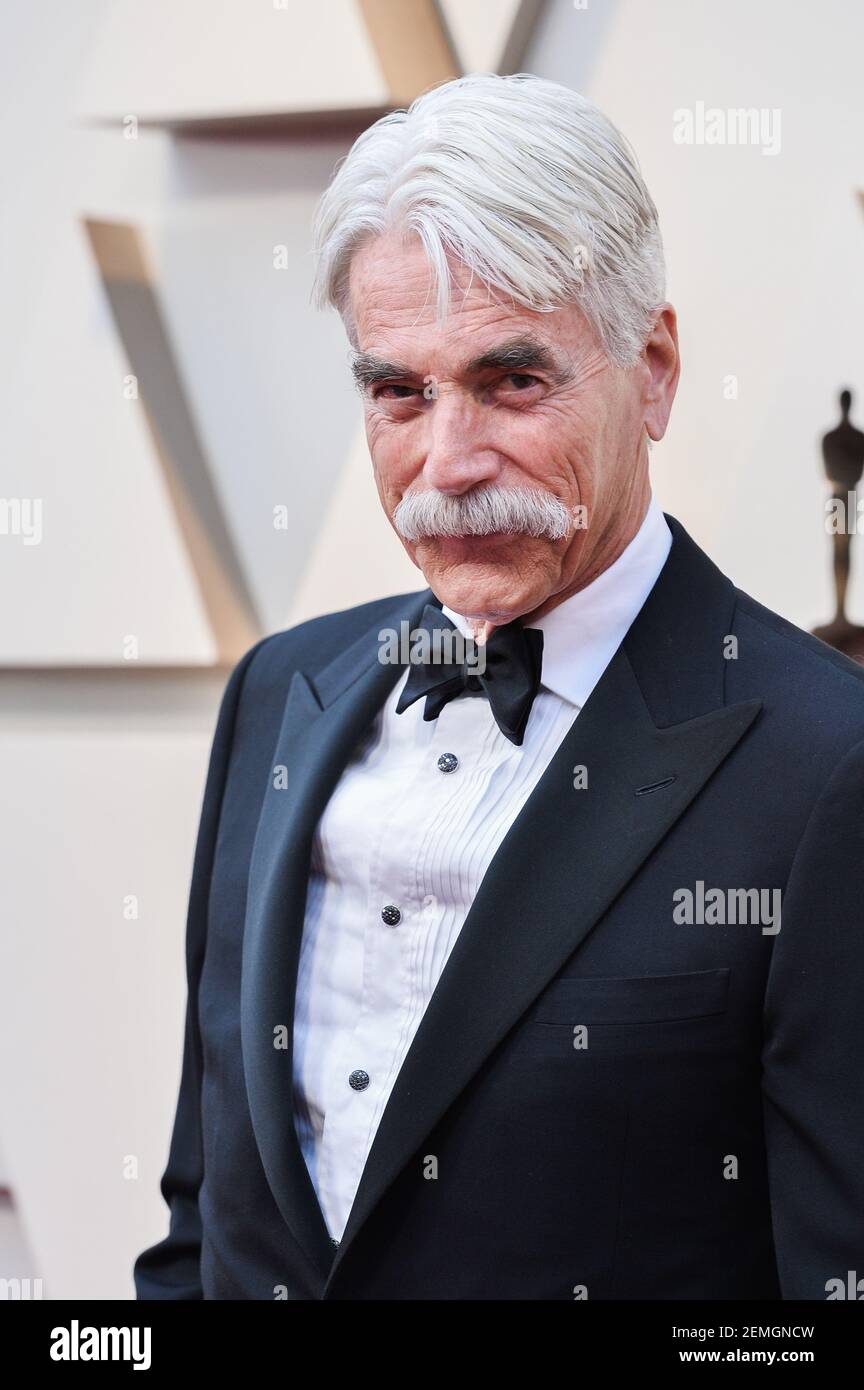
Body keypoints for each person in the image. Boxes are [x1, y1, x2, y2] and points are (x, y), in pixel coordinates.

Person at [134, 72, 864, 1301]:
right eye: (399, 392)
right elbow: (204, 1226)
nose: (449, 462)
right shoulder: (276, 693)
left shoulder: (827, 767)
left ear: (657, 368)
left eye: (512, 381)